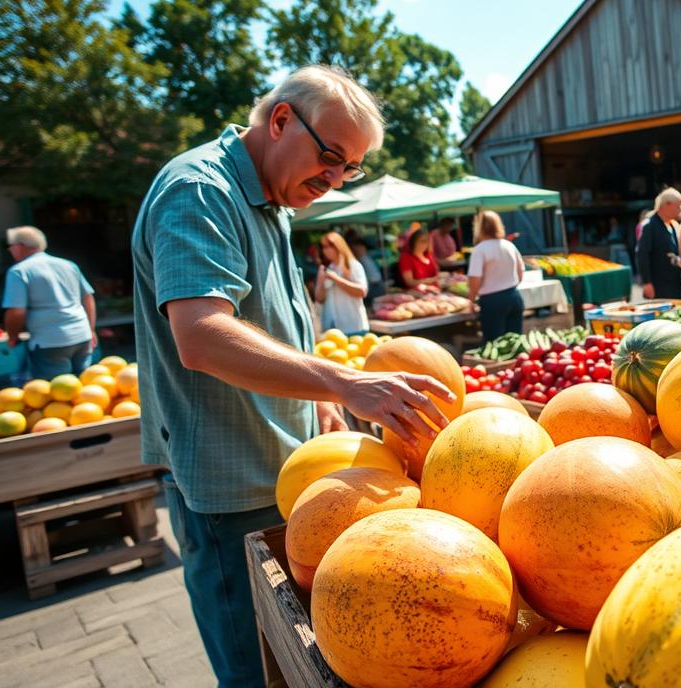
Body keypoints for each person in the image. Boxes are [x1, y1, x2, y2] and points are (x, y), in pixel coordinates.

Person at [131, 65, 455, 688]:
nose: (335, 181)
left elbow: (273, 321)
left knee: (292, 663)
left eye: (350, 169)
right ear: (280, 120)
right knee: (254, 668)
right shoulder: (199, 190)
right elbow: (201, 335)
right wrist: (341, 382)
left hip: (284, 472)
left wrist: (323, 409)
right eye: (330, 157)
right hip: (231, 483)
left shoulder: (274, 196)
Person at [1, 226, 97, 379]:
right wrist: (91, 329)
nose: (10, 250)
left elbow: (16, 311)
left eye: (11, 246)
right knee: (84, 389)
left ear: (20, 246)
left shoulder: (19, 271)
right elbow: (87, 297)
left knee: (55, 396)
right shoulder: (68, 265)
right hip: (82, 335)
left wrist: (13, 336)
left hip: (49, 341)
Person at [467, 210, 525, 343]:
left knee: (494, 346)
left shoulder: (480, 249)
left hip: (492, 301)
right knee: (515, 344)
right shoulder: (509, 245)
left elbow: (475, 279)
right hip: (514, 296)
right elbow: (520, 273)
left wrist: (471, 299)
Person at [314, 231, 368, 334]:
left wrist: (336, 279)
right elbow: (319, 299)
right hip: (332, 329)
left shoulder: (353, 265)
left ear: (339, 246)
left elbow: (362, 292)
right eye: (324, 247)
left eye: (330, 246)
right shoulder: (328, 268)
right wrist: (320, 282)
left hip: (353, 327)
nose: (326, 250)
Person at [636, 189, 681, 300]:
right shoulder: (649, 225)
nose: (680, 210)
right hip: (658, 284)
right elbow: (642, 254)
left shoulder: (673, 225)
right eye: (678, 206)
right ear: (667, 205)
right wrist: (647, 283)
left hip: (675, 282)